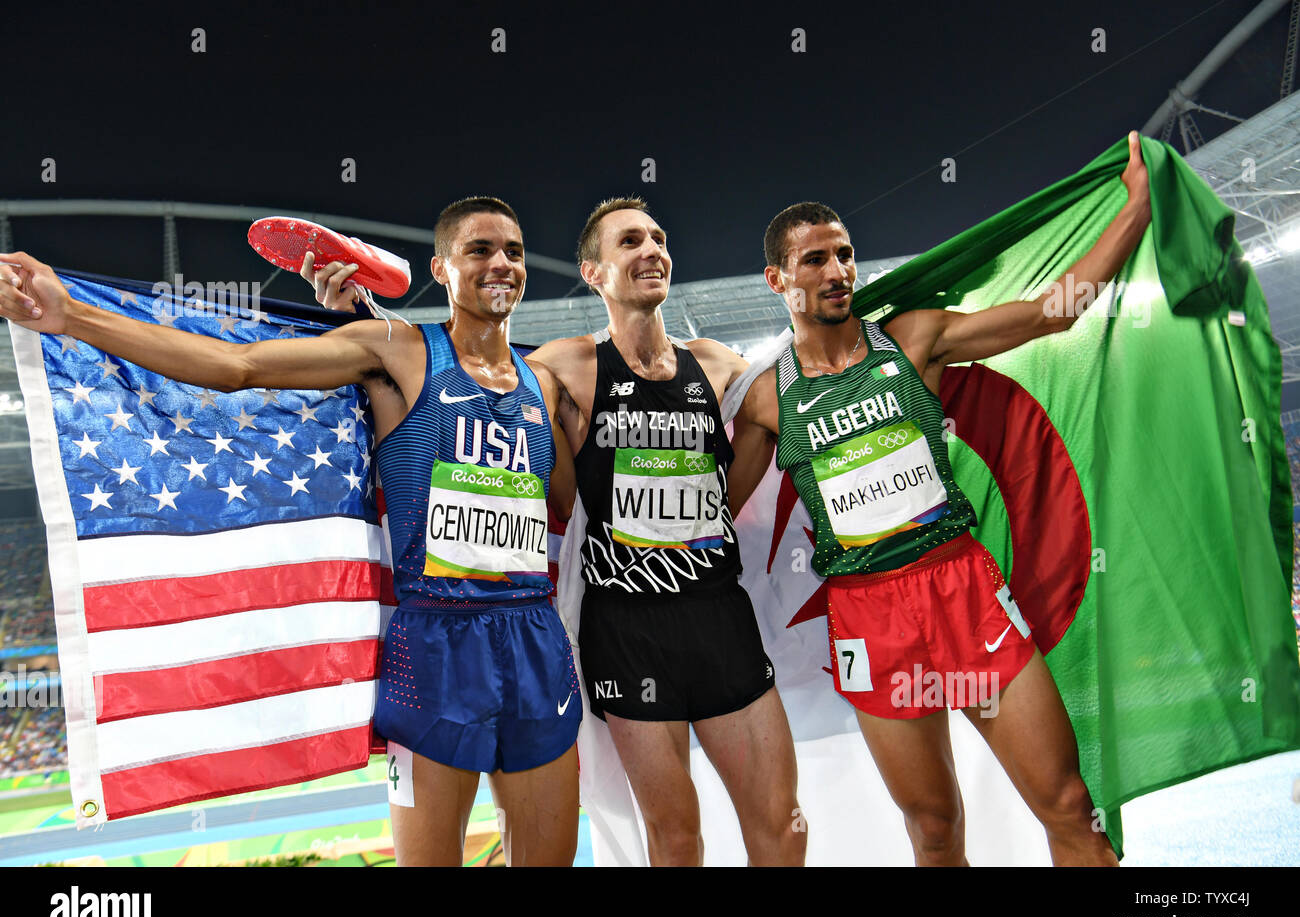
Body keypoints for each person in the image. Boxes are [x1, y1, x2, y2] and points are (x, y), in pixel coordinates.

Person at [0, 196, 582, 867]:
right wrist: (70, 314)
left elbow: (574, 505)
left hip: (535, 641)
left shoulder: (543, 383)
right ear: (441, 269)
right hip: (436, 651)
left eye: (513, 249)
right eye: (480, 249)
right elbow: (235, 368)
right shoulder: (397, 352)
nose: (502, 263)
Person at [734, 132, 1152, 866]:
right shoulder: (768, 403)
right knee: (933, 830)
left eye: (844, 254)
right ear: (777, 279)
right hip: (868, 617)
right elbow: (709, 507)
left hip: (962, 587)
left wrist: (1136, 213)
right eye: (815, 259)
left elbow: (1052, 313)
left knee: (1068, 806)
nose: (838, 271)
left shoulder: (912, 341)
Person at [526, 198, 805, 866]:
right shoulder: (567, 365)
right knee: (676, 836)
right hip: (626, 629)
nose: (651, 249)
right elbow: (482, 386)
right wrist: (369, 320)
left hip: (718, 615)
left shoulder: (715, 364)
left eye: (658, 237)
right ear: (594, 271)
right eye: (629, 242)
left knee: (782, 823)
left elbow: (796, 407)